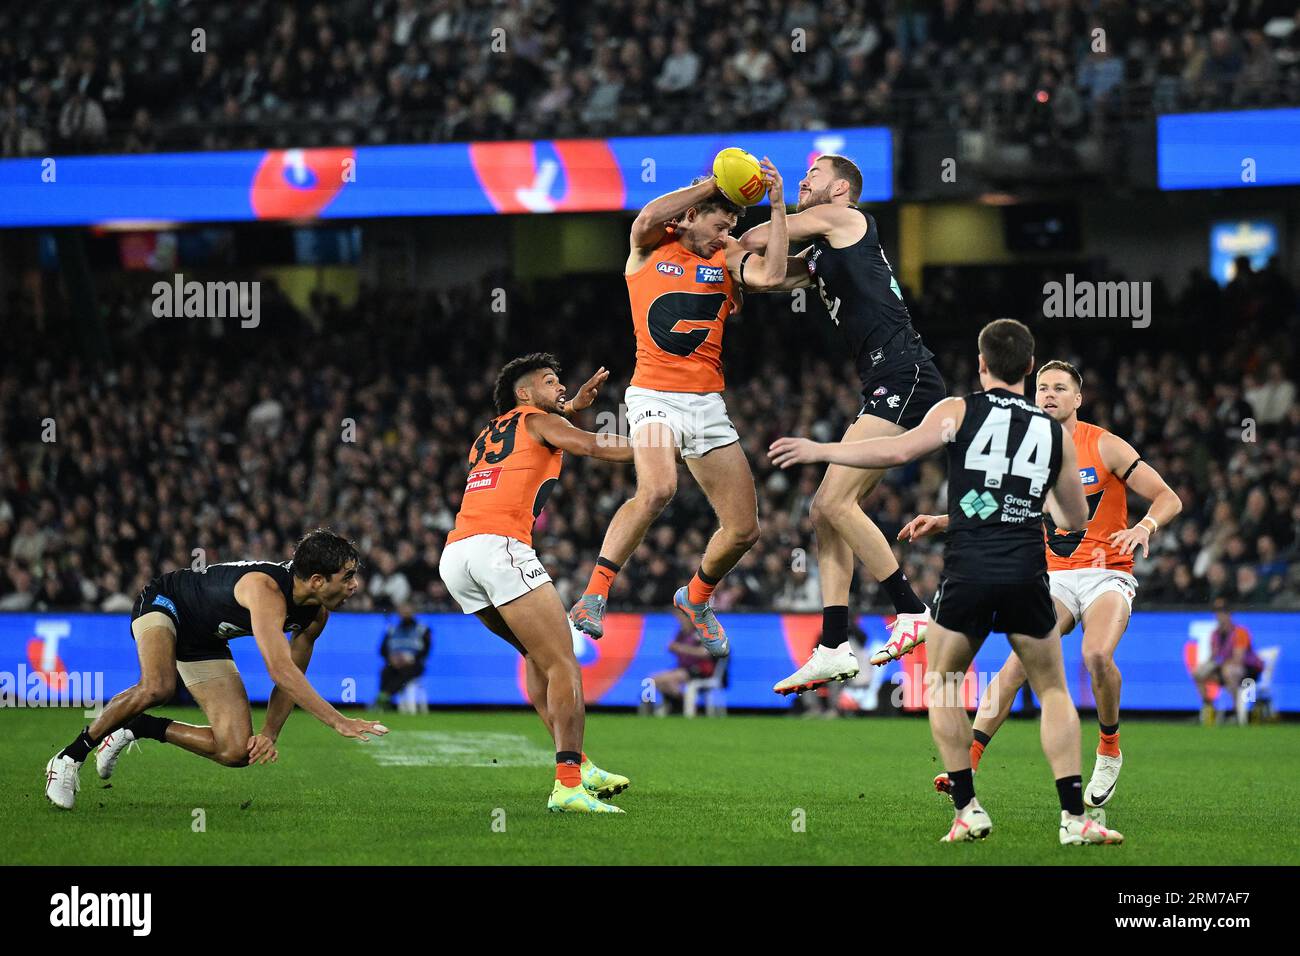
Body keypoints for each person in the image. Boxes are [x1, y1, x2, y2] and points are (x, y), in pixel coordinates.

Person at [770, 319, 1123, 845]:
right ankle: (1074, 820)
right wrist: (1032, 498)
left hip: (968, 573)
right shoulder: (1054, 434)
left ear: (982, 365)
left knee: (943, 684)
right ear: (1029, 369)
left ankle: (968, 809)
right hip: (1027, 573)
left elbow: (894, 452)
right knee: (1052, 690)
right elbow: (1073, 520)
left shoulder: (956, 410)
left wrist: (822, 451)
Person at [910, 359, 1182, 809]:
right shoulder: (1023, 447)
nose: (1048, 394)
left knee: (1096, 655)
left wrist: (1145, 527)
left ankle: (1109, 746)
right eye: (1041, 388)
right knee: (1018, 665)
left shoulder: (1105, 445)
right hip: (1053, 576)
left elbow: (1168, 496)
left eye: (1059, 388)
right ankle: (970, 762)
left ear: (1078, 398)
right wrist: (944, 520)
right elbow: (993, 503)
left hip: (1107, 572)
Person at [738, 153, 945, 697]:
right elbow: (768, 275)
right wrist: (727, 263)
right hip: (886, 381)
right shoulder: (824, 250)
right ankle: (833, 645)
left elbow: (759, 237)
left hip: (905, 375)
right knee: (824, 511)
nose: (805, 179)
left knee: (832, 504)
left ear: (840, 190)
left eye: (813, 174)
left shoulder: (844, 218)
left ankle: (911, 608)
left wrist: (767, 208)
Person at [568, 157, 791, 657]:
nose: (727, 230)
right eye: (721, 220)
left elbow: (775, 274)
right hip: (652, 395)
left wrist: (776, 205)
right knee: (658, 488)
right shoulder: (649, 249)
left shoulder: (726, 256)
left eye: (733, 224)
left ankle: (696, 598)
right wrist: (716, 183)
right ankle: (593, 596)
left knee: (744, 529)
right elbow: (644, 220)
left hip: (707, 403)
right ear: (691, 215)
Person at [45, 529, 388, 811]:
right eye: (348, 577)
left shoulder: (316, 615)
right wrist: (338, 721)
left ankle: (138, 726)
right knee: (158, 687)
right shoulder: (266, 590)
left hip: (204, 639)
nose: (354, 585)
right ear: (316, 580)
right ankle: (68, 758)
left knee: (237, 750)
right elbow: (280, 670)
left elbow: (289, 681)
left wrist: (268, 733)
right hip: (167, 601)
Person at [438, 353, 632, 813]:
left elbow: (535, 439)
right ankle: (567, 785)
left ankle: (579, 765)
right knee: (564, 662)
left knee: (537, 656)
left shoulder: (490, 431)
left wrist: (566, 408)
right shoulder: (535, 419)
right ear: (524, 394)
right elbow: (592, 446)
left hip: (456, 556)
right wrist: (661, 448)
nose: (561, 387)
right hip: (499, 548)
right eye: (551, 382)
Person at [1194, 598, 1265, 725]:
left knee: (1229, 671)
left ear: (1229, 614)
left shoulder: (1240, 632)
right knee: (1198, 673)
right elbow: (1214, 656)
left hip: (1249, 670)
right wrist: (1205, 667)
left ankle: (1236, 711)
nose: (1219, 616)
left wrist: (1219, 665)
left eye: (1222, 612)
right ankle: (1208, 706)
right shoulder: (1215, 634)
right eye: (1217, 612)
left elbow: (1238, 659)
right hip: (1226, 668)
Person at [647, 611, 717, 713]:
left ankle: (683, 705)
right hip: (683, 668)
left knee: (664, 680)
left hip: (699, 670)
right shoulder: (681, 633)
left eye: (681, 617)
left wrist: (680, 648)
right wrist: (673, 649)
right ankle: (680, 704)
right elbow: (675, 648)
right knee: (655, 680)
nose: (679, 620)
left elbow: (705, 653)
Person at [375, 602, 432, 710]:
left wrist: (411, 659)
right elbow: (382, 650)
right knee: (385, 671)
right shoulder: (391, 629)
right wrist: (391, 658)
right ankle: (384, 701)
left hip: (414, 664)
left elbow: (426, 651)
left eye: (407, 610)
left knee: (405, 672)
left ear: (413, 611)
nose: (405, 613)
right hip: (394, 662)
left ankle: (385, 696)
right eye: (402, 610)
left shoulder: (423, 629)